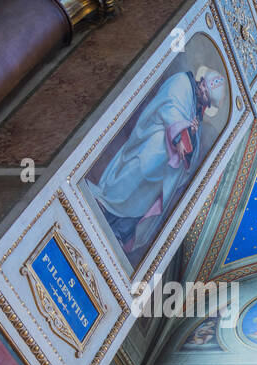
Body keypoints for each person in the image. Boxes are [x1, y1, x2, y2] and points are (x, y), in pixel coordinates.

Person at [87, 65, 226, 258]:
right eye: (205, 92)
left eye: (207, 100)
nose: (204, 98)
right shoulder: (182, 83)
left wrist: (190, 135)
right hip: (155, 139)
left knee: (150, 195)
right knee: (141, 167)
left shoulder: (197, 112)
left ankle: (120, 229)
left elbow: (191, 154)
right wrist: (179, 136)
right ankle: (106, 202)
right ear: (202, 83)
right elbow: (169, 107)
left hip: (166, 167)